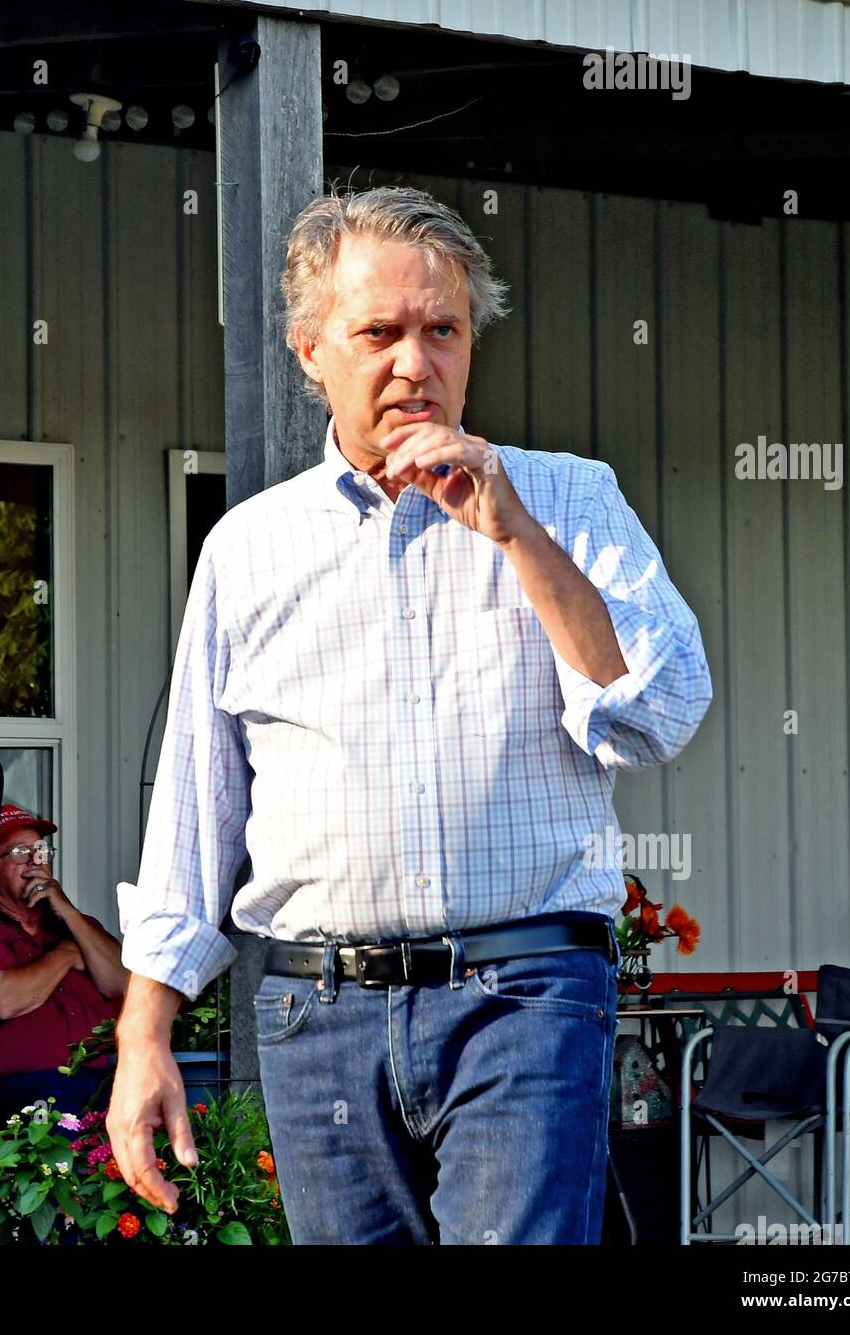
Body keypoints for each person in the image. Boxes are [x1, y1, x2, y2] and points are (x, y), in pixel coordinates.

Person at [110, 184, 713, 1243]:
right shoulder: (247, 551)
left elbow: (657, 711)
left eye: (441, 330)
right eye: (378, 332)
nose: (413, 362)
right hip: (318, 1014)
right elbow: (198, 809)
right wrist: (143, 1036)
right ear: (309, 350)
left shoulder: (569, 499)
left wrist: (516, 533)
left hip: (524, 994)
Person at [0, 804, 128, 1125]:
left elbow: (123, 983)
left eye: (41, 850)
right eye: (20, 852)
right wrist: (67, 954)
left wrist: (68, 913)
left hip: (112, 1078)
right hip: (25, 1088)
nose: (36, 861)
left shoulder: (80, 925)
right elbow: (3, 1001)